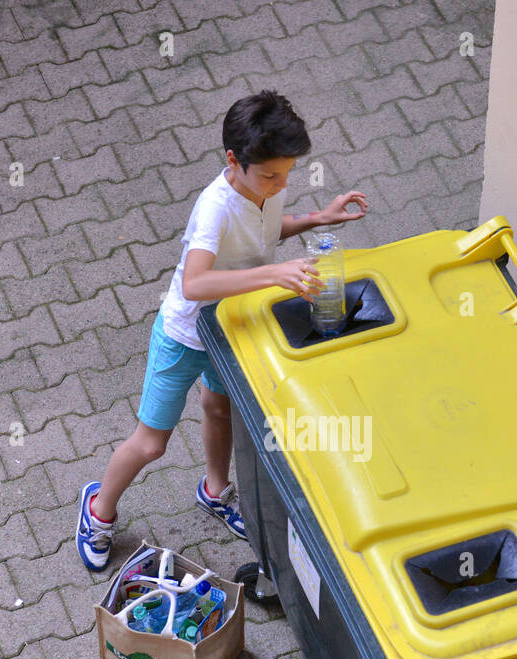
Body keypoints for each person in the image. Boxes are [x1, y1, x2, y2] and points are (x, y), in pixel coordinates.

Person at [76, 89, 369, 570]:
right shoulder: (214, 206)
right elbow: (195, 283)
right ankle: (98, 509)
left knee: (219, 409)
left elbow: (264, 233)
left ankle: (214, 491)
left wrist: (318, 217)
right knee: (151, 442)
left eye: (288, 173)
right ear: (233, 160)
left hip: (231, 328)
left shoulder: (264, 188)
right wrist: (276, 275)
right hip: (185, 336)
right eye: (271, 175)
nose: (279, 184)